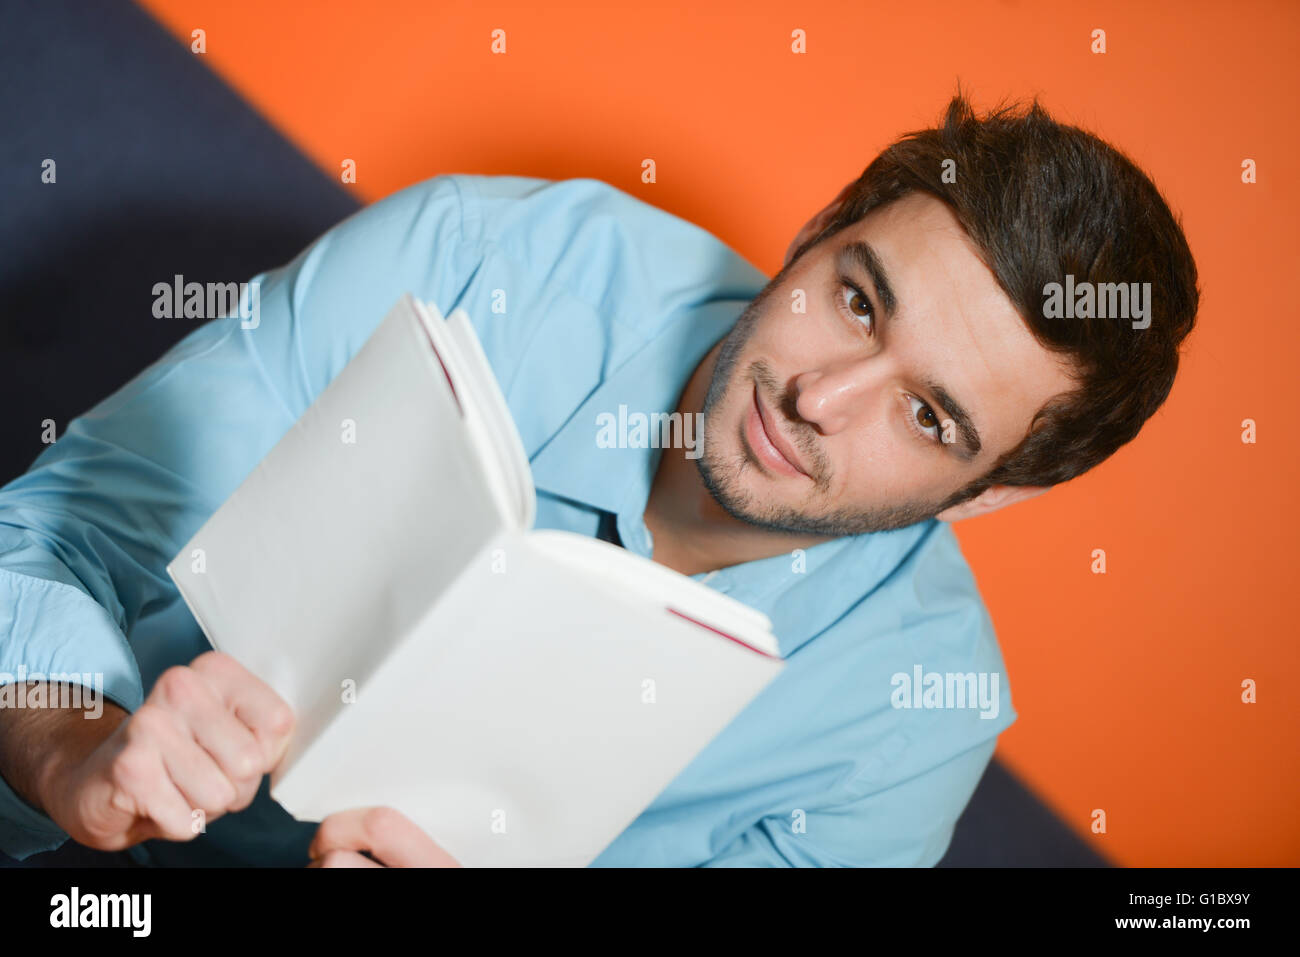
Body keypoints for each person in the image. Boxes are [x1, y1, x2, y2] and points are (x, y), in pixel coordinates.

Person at [0, 93, 1198, 867]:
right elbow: (49, 533)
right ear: (822, 227)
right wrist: (72, 753)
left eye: (929, 416)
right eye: (855, 299)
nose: (819, 398)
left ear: (987, 493)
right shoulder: (478, 257)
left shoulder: (902, 722)